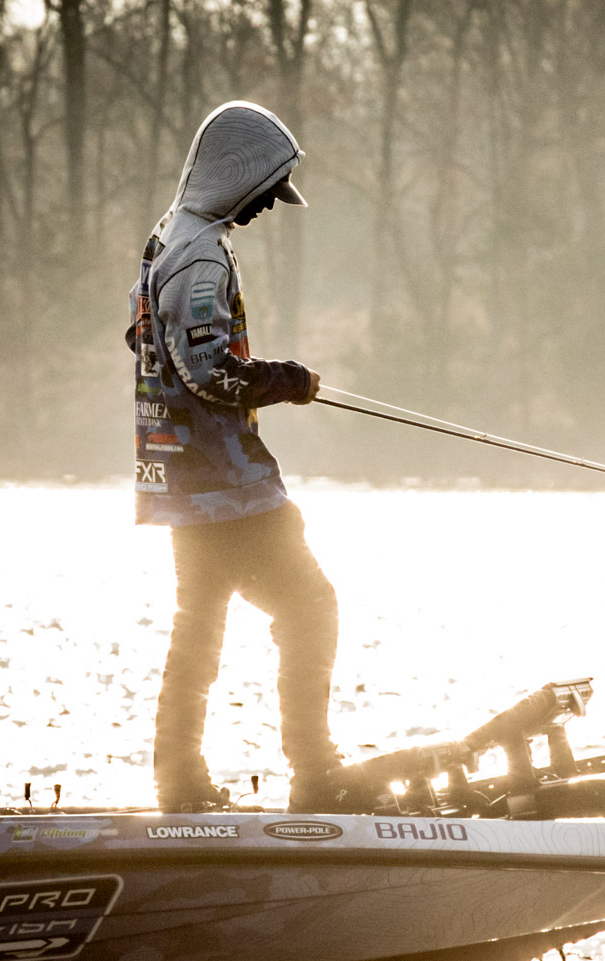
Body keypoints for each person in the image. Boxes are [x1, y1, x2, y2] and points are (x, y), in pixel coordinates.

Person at [126, 101, 339, 813]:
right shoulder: (200, 256)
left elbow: (140, 336)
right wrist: (288, 380)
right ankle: (316, 774)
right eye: (264, 193)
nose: (266, 208)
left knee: (199, 627)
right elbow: (207, 371)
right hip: (229, 484)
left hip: (182, 485)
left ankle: (179, 783)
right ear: (236, 178)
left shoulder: (167, 238)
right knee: (310, 607)